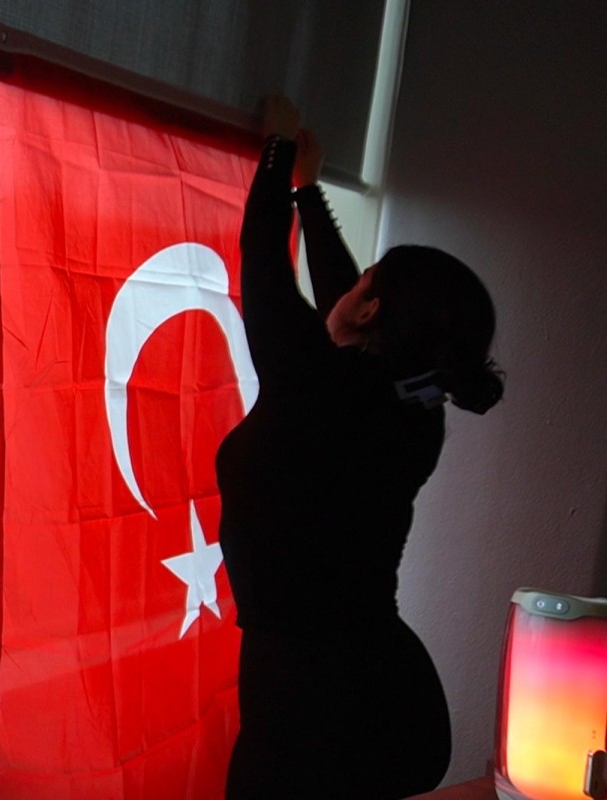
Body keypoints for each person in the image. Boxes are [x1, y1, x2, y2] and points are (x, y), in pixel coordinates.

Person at [216, 96, 503, 799]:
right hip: (377, 696)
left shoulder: (317, 382)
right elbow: (348, 302)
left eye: (369, 282)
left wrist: (280, 148)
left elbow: (262, 256)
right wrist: (308, 190)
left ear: (372, 307)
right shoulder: (415, 411)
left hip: (310, 706)